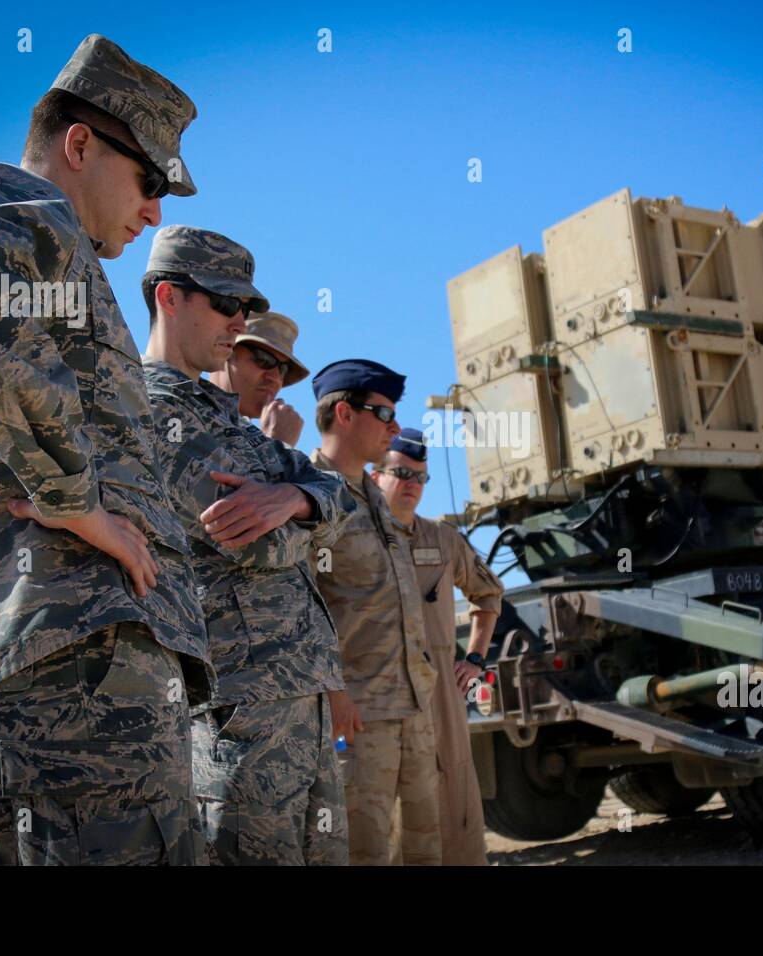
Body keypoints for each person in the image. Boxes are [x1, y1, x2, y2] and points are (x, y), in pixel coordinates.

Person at [0, 35, 211, 865]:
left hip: (63, 655)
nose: (155, 214)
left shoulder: (43, 250)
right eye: (149, 182)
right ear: (80, 143)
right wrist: (78, 502)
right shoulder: (14, 209)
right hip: (72, 658)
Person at [141, 226, 355, 864]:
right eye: (226, 304)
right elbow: (252, 544)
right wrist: (304, 502)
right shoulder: (153, 411)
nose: (238, 323)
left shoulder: (220, 414)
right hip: (241, 702)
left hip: (298, 694)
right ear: (170, 297)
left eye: (245, 309)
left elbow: (336, 495)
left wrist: (295, 498)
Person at [309, 361, 441, 864]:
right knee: (364, 848)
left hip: (411, 701)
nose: (393, 426)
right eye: (383, 412)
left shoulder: (373, 497)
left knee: (425, 841)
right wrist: (334, 690)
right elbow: (302, 598)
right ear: (343, 412)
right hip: (358, 715)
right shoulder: (310, 492)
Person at [372, 429, 503, 865]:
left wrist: (476, 659)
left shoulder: (443, 540)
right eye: (402, 473)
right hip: (381, 691)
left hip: (440, 691)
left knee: (454, 787)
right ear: (376, 478)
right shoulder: (355, 541)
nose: (412, 484)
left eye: (421, 477)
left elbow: (488, 595)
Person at [211, 312, 309, 446]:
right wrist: (276, 446)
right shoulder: (183, 415)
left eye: (283, 369)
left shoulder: (243, 436)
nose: (274, 378)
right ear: (226, 352)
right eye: (263, 360)